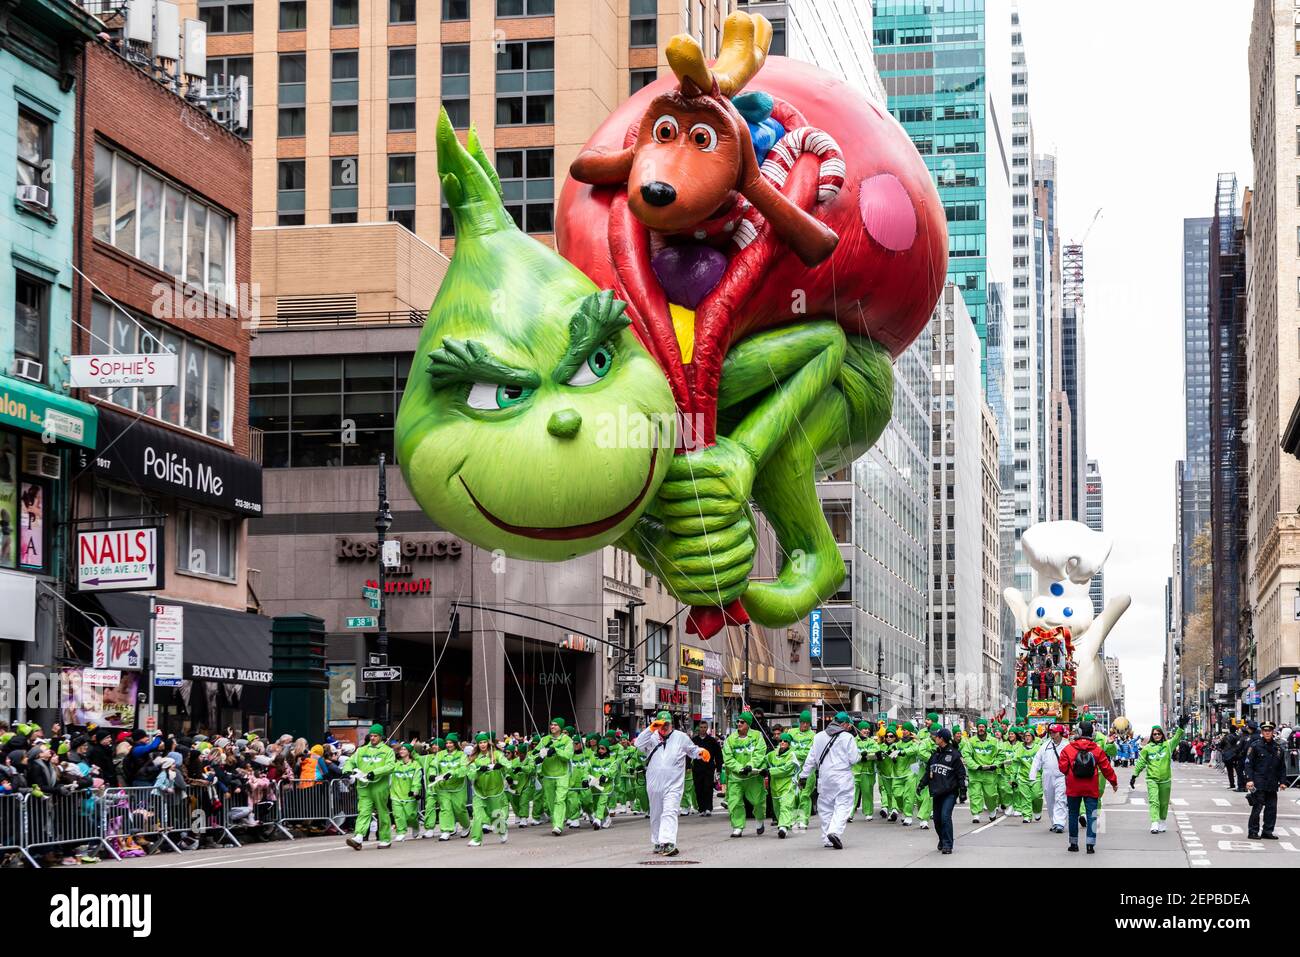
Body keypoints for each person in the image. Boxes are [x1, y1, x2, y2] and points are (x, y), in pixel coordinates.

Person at [635, 711, 705, 856]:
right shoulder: (651, 737)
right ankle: (657, 841)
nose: (664, 727)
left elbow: (692, 750)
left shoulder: (680, 737)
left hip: (673, 785)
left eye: (666, 724)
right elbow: (638, 744)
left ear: (671, 724)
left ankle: (668, 842)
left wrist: (701, 752)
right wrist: (651, 728)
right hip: (654, 785)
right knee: (656, 814)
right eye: (661, 724)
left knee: (670, 811)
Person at [798, 711, 860, 849]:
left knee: (826, 808)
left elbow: (811, 759)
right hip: (842, 777)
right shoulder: (847, 737)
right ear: (843, 724)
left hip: (824, 778)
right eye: (848, 725)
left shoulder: (818, 736)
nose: (849, 727)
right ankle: (835, 832)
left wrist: (803, 776)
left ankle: (826, 838)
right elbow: (854, 759)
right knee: (843, 805)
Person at [1058, 721, 1118, 854]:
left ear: (1078, 733)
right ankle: (1090, 845)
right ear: (1093, 733)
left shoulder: (1068, 749)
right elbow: (1106, 768)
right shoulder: (1097, 749)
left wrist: (1070, 773)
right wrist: (1114, 782)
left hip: (1073, 787)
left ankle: (1073, 844)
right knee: (1093, 815)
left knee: (1073, 814)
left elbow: (1062, 768)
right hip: (1091, 787)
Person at [1130, 713, 1188, 834]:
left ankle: (1162, 821)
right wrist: (1134, 775)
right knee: (1153, 801)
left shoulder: (1168, 745)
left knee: (1164, 803)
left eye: (1159, 733)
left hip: (1165, 780)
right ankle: (1154, 822)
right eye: (1154, 734)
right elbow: (1140, 762)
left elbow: (1177, 737)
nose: (1156, 736)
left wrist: (1181, 726)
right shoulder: (1147, 748)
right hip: (1152, 779)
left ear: (1162, 734)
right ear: (1152, 735)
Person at [343, 724, 396, 850]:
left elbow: (390, 766)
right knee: (363, 811)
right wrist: (347, 770)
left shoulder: (388, 751)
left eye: (375, 736)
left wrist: (375, 773)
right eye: (371, 735)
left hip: (380, 787)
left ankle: (385, 838)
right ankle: (359, 836)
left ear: (381, 737)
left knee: (382, 812)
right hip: (363, 786)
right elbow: (350, 761)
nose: (372, 738)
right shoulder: (361, 750)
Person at [917, 726, 966, 854]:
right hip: (937, 791)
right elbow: (929, 772)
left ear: (942, 739)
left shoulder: (954, 754)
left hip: (950, 792)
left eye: (937, 736)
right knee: (937, 819)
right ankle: (942, 839)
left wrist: (962, 791)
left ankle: (948, 844)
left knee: (945, 817)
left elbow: (961, 774)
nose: (934, 738)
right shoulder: (935, 754)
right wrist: (921, 785)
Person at [722, 711, 768, 838]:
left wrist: (750, 766)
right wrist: (739, 768)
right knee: (735, 802)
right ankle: (737, 827)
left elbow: (760, 753)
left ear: (748, 724)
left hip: (753, 776)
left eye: (742, 722)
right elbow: (728, 757)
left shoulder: (757, 736)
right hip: (736, 777)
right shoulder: (730, 739)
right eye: (738, 722)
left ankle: (759, 820)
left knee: (758, 801)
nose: (739, 724)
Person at [1244, 721, 1288, 840]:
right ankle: (1253, 831)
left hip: (1272, 783)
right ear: (1262, 732)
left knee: (1271, 809)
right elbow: (1248, 764)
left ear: (1273, 732)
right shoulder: (1255, 745)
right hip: (1258, 782)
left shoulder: (1278, 748)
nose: (1267, 733)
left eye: (1269, 731)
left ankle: (1267, 831)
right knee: (1257, 808)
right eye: (1265, 731)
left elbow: (1281, 767)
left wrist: (1283, 781)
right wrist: (1249, 779)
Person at [466, 732, 510, 846]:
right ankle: (476, 839)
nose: (483, 744)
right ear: (477, 744)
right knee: (477, 815)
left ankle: (502, 830)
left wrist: (501, 765)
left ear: (488, 743)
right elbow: (470, 774)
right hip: (479, 792)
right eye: (480, 742)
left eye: (484, 742)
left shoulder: (496, 754)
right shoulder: (474, 758)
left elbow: (508, 764)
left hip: (494, 790)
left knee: (495, 814)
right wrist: (479, 770)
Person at [428, 732, 470, 840]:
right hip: (443, 787)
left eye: (451, 743)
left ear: (455, 744)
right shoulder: (440, 754)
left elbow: (464, 769)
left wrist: (452, 773)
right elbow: (433, 765)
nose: (448, 745)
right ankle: (446, 830)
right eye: (447, 743)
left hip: (458, 788)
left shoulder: (462, 755)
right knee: (445, 809)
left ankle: (466, 825)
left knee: (459, 809)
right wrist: (432, 774)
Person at [536, 718, 574, 836]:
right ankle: (556, 822)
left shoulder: (567, 740)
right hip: (547, 775)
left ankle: (558, 825)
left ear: (561, 728)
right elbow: (535, 753)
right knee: (551, 801)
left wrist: (556, 750)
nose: (552, 727)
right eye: (551, 724)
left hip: (562, 774)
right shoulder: (544, 739)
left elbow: (568, 755)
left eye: (555, 725)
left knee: (560, 800)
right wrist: (537, 757)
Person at [1030, 723, 1069, 832]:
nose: (1052, 734)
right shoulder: (1045, 745)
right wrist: (1032, 775)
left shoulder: (1067, 745)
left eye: (1055, 732)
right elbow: (1037, 759)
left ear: (1060, 733)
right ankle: (1054, 822)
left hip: (1062, 776)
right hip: (1047, 776)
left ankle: (1060, 823)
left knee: (1060, 799)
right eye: (1051, 732)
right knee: (1050, 800)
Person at [964, 718, 1001, 823]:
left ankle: (992, 810)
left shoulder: (994, 741)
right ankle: (976, 814)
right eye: (979, 726)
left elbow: (1001, 754)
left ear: (986, 728)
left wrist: (995, 765)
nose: (981, 729)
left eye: (983, 727)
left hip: (989, 773)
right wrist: (975, 766)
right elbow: (966, 755)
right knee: (975, 794)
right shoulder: (971, 741)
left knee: (990, 795)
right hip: (975, 773)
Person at [766, 731, 800, 838]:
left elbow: (786, 769)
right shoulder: (772, 754)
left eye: (785, 741)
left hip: (787, 785)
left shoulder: (792, 755)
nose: (783, 742)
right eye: (781, 740)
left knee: (786, 805)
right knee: (777, 808)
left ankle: (783, 828)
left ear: (789, 743)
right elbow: (763, 761)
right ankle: (783, 823)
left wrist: (769, 771)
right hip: (775, 786)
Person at [788, 710, 816, 830]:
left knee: (804, 795)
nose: (805, 725)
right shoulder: (791, 732)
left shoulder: (813, 736)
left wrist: (794, 753)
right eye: (803, 722)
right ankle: (794, 819)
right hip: (793, 770)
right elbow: (784, 747)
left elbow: (809, 753)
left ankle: (803, 820)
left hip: (807, 771)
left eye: (807, 723)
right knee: (794, 796)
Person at [389, 743, 424, 841]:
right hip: (396, 794)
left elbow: (417, 778)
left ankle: (415, 825)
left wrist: (415, 790)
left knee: (410, 816)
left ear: (409, 752)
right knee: (398, 815)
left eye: (404, 749)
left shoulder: (415, 765)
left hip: (409, 795)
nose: (401, 751)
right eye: (401, 749)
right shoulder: (395, 765)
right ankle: (401, 832)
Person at [691, 720, 721, 816]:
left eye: (705, 727)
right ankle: (702, 808)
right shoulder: (694, 741)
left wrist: (719, 768)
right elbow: (688, 753)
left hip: (709, 768)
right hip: (697, 768)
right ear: (698, 728)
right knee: (698, 788)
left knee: (708, 787)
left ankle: (708, 808)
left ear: (707, 728)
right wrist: (687, 766)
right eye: (701, 727)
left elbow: (718, 755)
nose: (703, 729)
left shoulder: (712, 741)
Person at [850, 720, 878, 822]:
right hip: (855, 771)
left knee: (867, 792)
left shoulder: (872, 742)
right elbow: (850, 753)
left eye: (867, 729)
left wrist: (867, 756)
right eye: (864, 729)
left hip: (867, 771)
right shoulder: (852, 741)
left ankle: (868, 813)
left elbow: (875, 752)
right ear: (859, 730)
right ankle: (850, 813)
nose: (866, 731)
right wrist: (860, 756)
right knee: (852, 794)